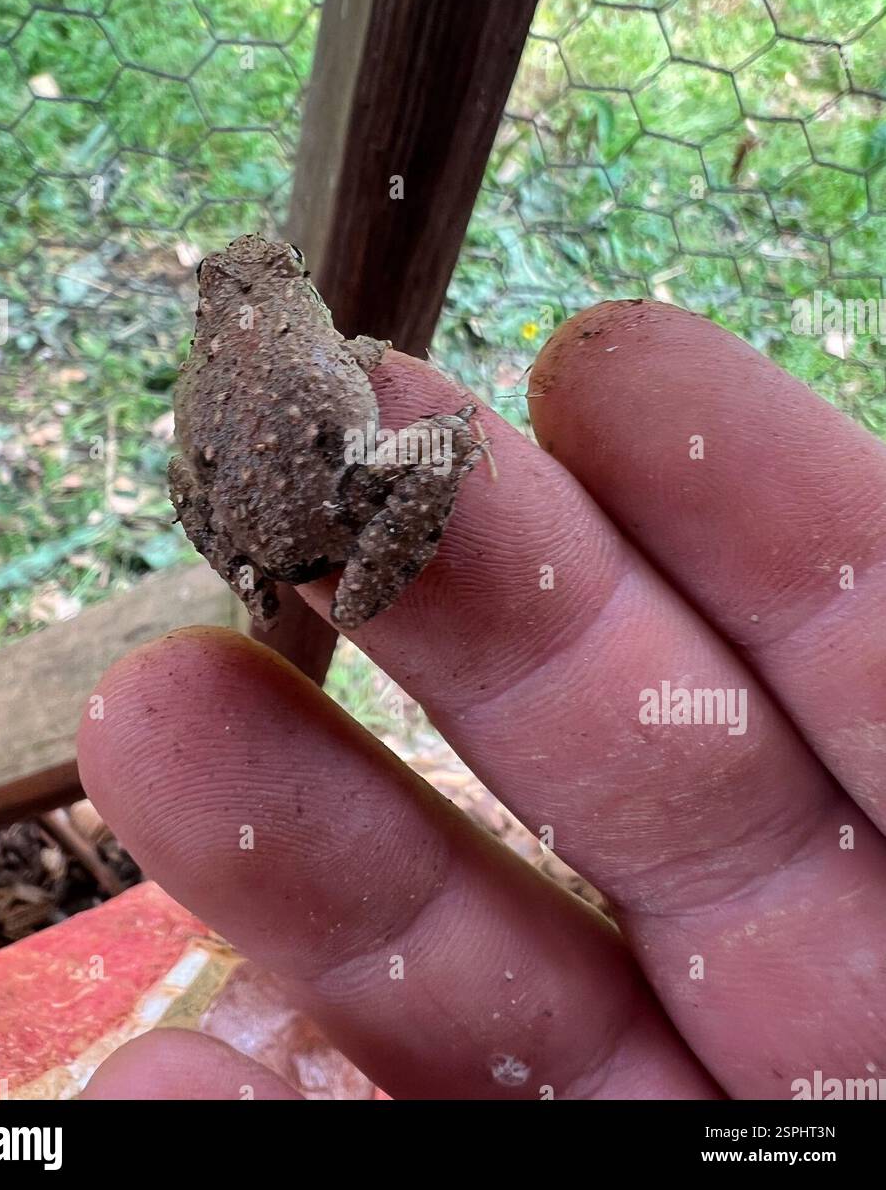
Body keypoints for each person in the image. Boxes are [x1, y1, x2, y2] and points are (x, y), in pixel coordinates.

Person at [81, 300, 886, 1100]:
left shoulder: (204, 380)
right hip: (334, 507)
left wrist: (259, 561)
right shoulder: (320, 338)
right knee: (451, 434)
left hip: (262, 535)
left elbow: (190, 475)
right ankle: (353, 570)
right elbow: (357, 361)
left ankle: (262, 584)